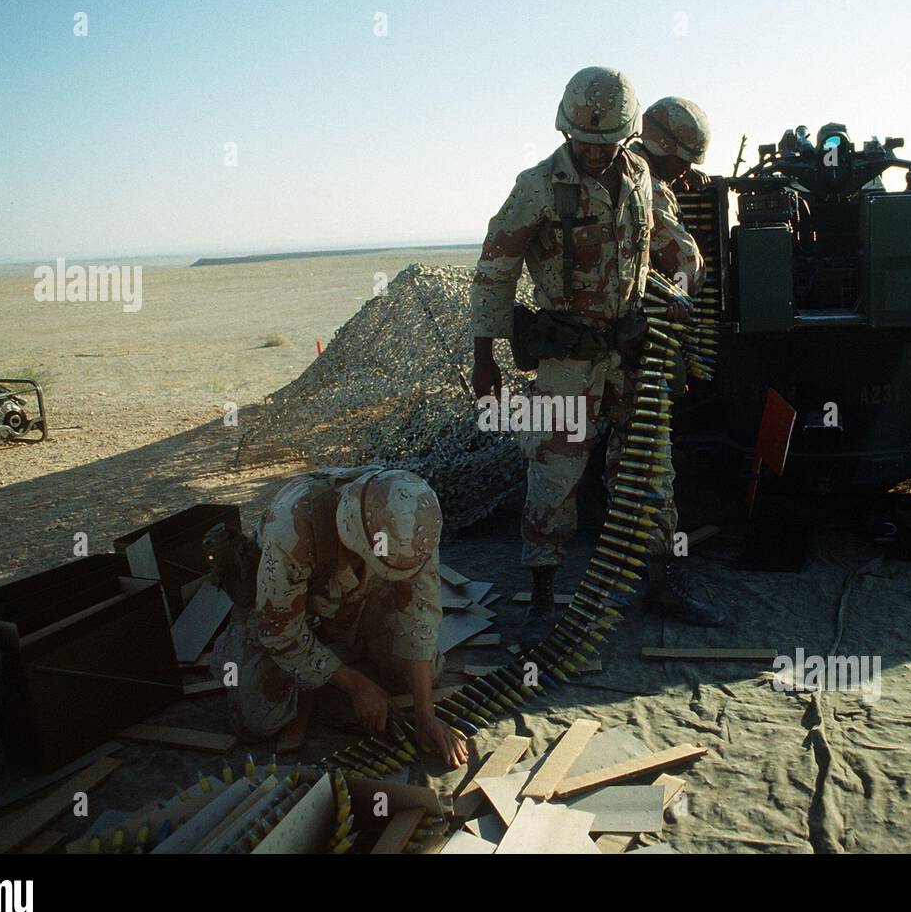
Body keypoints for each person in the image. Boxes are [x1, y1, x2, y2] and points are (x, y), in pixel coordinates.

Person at [470, 66, 722, 639]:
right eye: (583, 140)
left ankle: (663, 580)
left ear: (628, 137)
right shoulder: (536, 186)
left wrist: (681, 287)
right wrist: (486, 361)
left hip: (632, 352)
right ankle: (541, 595)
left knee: (649, 471)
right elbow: (494, 274)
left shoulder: (640, 179)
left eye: (606, 142)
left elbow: (679, 248)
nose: (593, 152)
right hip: (565, 354)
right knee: (554, 470)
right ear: (564, 131)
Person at [206, 466, 468, 768]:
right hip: (282, 609)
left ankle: (327, 659)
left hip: (351, 597)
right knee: (258, 721)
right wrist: (358, 686)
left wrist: (426, 716)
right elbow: (280, 632)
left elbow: (418, 615)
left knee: (425, 674)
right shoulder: (294, 526)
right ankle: (238, 643)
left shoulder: (412, 519)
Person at [629, 96, 712, 296]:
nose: (686, 167)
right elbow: (687, 266)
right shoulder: (650, 188)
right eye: (683, 159)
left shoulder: (627, 163)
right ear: (663, 147)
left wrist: (672, 179)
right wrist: (679, 295)